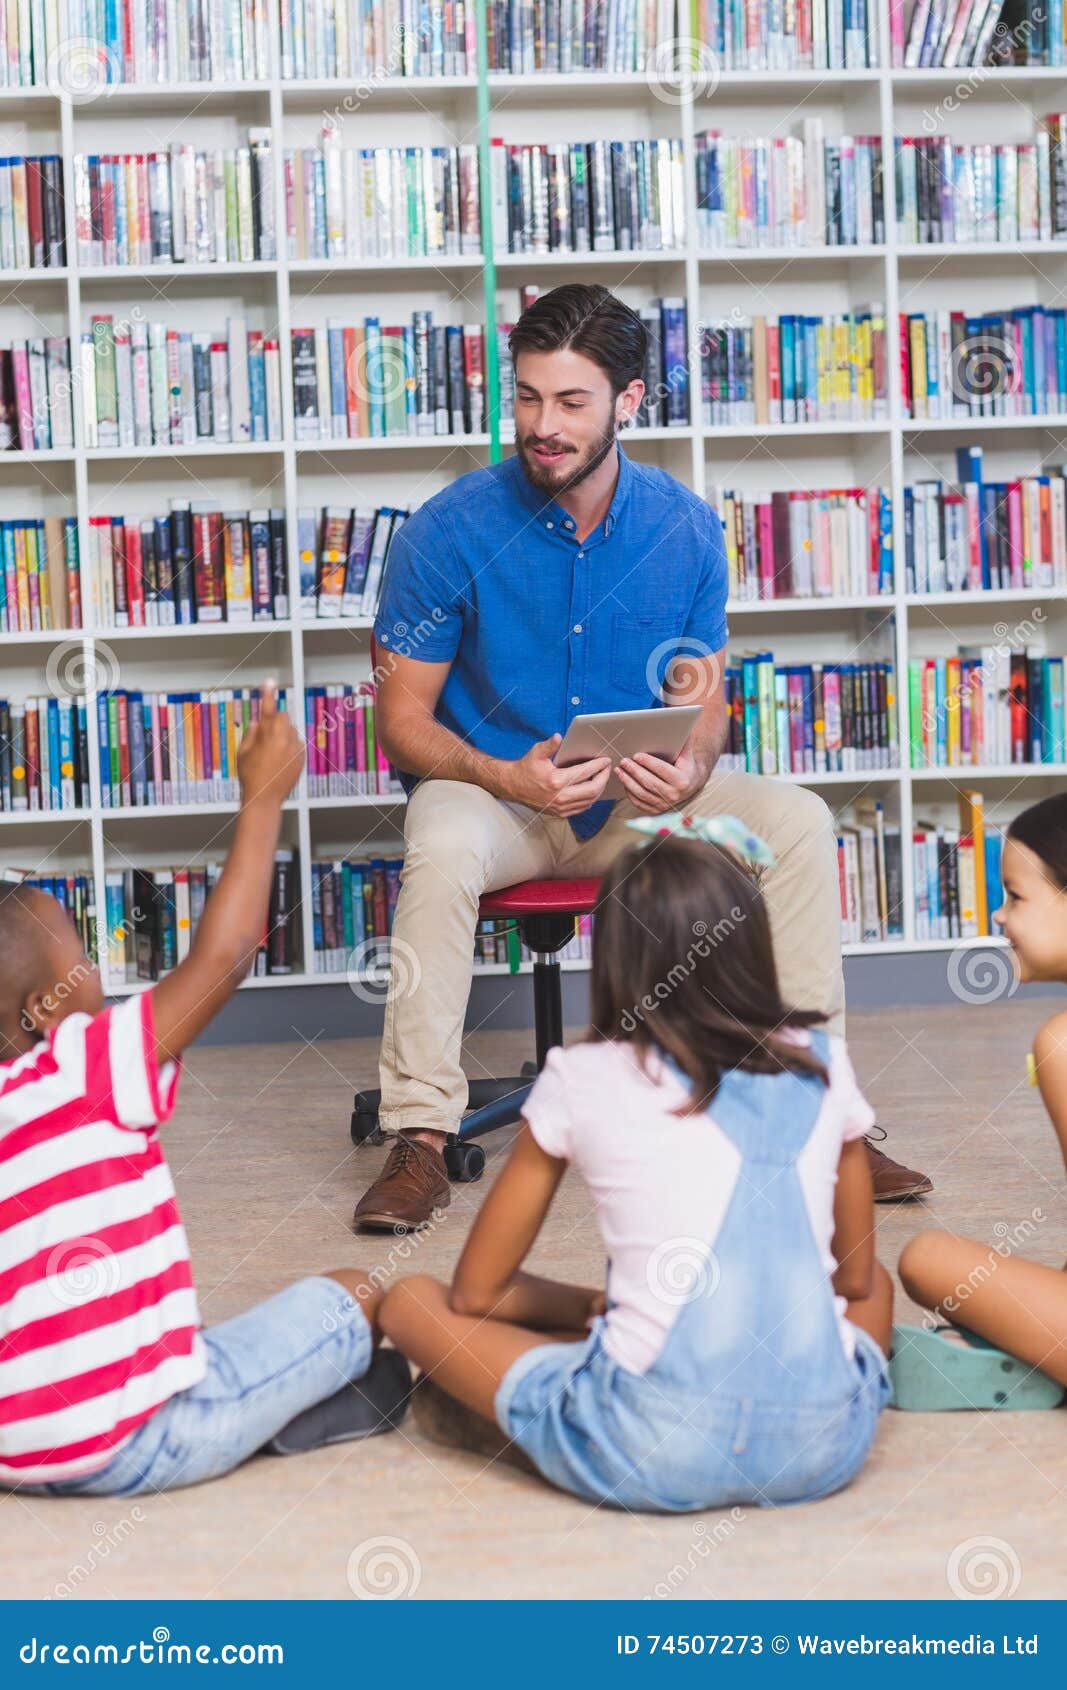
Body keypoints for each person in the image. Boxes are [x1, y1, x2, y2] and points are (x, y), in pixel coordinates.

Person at [354, 280, 930, 1230]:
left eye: (571, 402)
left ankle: (820, 1112)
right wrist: (505, 775)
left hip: (632, 806)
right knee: (442, 843)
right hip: (495, 801)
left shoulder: (683, 526)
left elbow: (699, 700)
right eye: (529, 396)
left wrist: (694, 766)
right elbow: (402, 723)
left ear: (627, 401)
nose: (543, 424)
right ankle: (419, 1137)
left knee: (796, 819)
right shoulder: (444, 532)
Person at [377, 814, 893, 1512]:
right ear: (750, 942)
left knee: (410, 1300)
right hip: (821, 1451)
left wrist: (586, 1304)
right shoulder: (822, 1063)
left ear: (616, 954)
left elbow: (475, 1294)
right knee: (880, 1286)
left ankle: (566, 1384)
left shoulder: (580, 1075)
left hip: (650, 1450)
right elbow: (855, 1278)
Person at [0, 681, 410, 1496]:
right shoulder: (81, 1063)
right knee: (357, 1295)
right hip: (134, 1440)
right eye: (79, 955)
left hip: (14, 1452)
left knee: (185, 1333)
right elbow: (220, 962)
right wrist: (261, 799)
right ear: (42, 1012)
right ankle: (256, 1421)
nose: (95, 969)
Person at [898, 793, 1067, 1397]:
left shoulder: (1063, 1043)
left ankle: (1028, 1356)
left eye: (1016, 897)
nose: (999, 916)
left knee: (927, 1259)